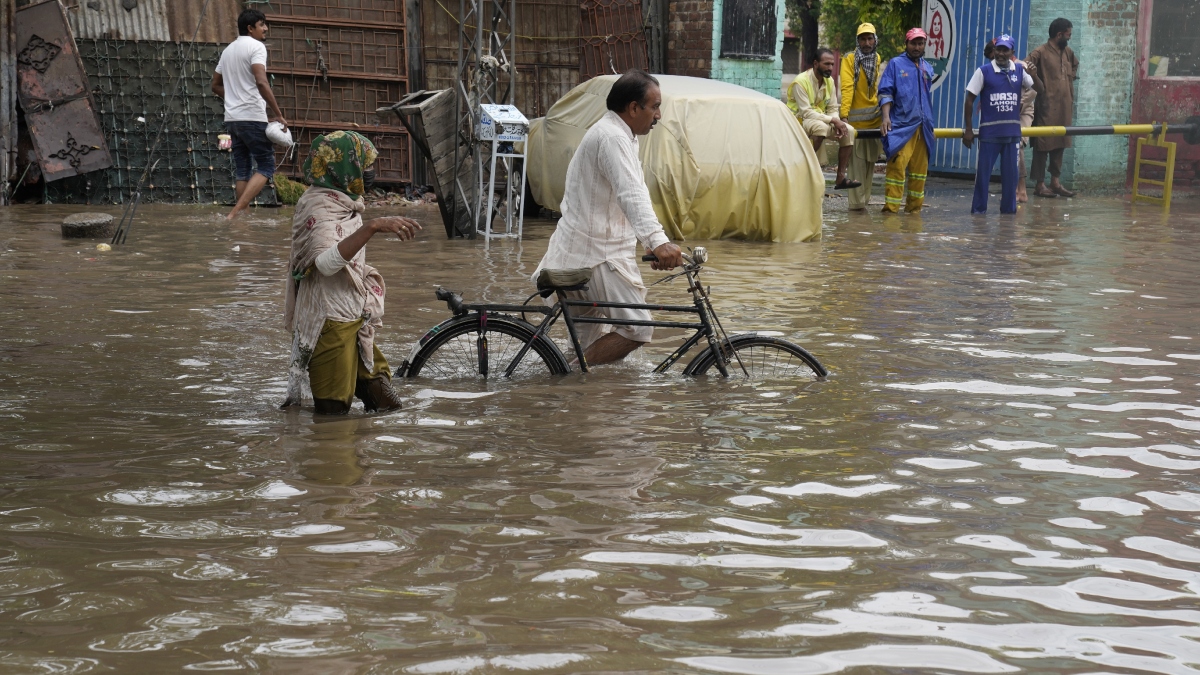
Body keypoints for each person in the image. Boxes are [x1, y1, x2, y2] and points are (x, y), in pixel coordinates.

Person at [532, 69, 683, 367]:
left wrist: (649, 244)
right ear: (633, 108)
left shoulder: (617, 134)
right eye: (655, 107)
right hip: (596, 256)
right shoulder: (612, 137)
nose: (659, 115)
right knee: (638, 327)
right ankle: (571, 377)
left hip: (581, 252)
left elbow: (628, 196)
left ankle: (567, 393)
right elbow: (631, 194)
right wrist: (658, 240)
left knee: (584, 346)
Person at [281, 131, 422, 415]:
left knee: (386, 400)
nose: (369, 172)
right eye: (365, 165)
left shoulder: (342, 200)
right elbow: (324, 264)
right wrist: (373, 227)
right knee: (332, 415)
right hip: (328, 319)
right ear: (344, 167)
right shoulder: (319, 207)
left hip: (352, 313)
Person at [211, 9, 288, 220]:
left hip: (233, 119)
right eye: (262, 24)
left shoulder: (228, 51)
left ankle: (242, 221)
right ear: (250, 28)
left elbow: (215, 85)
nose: (266, 28)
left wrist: (234, 99)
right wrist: (279, 114)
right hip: (252, 116)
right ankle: (235, 214)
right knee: (266, 165)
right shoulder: (257, 47)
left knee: (243, 168)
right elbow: (261, 81)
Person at [963, 35, 1034, 214]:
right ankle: (978, 215)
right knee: (983, 179)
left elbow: (1037, 88)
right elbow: (969, 100)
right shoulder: (984, 71)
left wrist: (1035, 75)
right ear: (994, 51)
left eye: (1005, 50)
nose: (1001, 53)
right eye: (998, 50)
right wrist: (969, 130)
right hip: (989, 135)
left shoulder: (1019, 70)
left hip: (1012, 136)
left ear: (1012, 53)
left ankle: (1008, 218)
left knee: (1011, 179)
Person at [878, 28, 935, 214]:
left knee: (920, 174)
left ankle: (914, 214)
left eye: (920, 43)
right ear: (906, 43)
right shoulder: (895, 64)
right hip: (901, 126)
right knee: (897, 170)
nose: (917, 47)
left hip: (924, 127)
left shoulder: (928, 67)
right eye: (914, 43)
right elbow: (885, 92)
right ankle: (891, 214)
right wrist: (886, 118)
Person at [787, 48, 860, 190]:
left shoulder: (830, 81)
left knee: (848, 131)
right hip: (798, 120)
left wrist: (837, 122)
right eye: (826, 64)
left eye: (832, 64)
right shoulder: (800, 82)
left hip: (820, 119)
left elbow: (832, 108)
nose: (830, 68)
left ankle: (840, 178)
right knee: (821, 128)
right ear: (815, 64)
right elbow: (806, 112)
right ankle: (804, 169)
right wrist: (833, 121)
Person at [1026, 17, 1078, 198]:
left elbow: (1075, 66)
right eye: (1068, 35)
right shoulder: (1039, 52)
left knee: (1060, 143)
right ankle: (1039, 185)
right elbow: (1024, 67)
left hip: (1065, 107)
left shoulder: (1068, 52)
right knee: (1043, 145)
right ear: (1059, 35)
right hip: (1046, 107)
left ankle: (1055, 182)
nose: (1069, 38)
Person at [840, 23, 884, 211]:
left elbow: (874, 90)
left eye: (869, 38)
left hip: (873, 123)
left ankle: (863, 205)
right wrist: (843, 117)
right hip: (856, 125)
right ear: (857, 41)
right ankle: (856, 208)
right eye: (862, 39)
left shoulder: (876, 58)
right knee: (856, 166)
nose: (866, 43)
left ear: (875, 40)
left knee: (869, 165)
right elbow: (847, 88)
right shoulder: (850, 59)